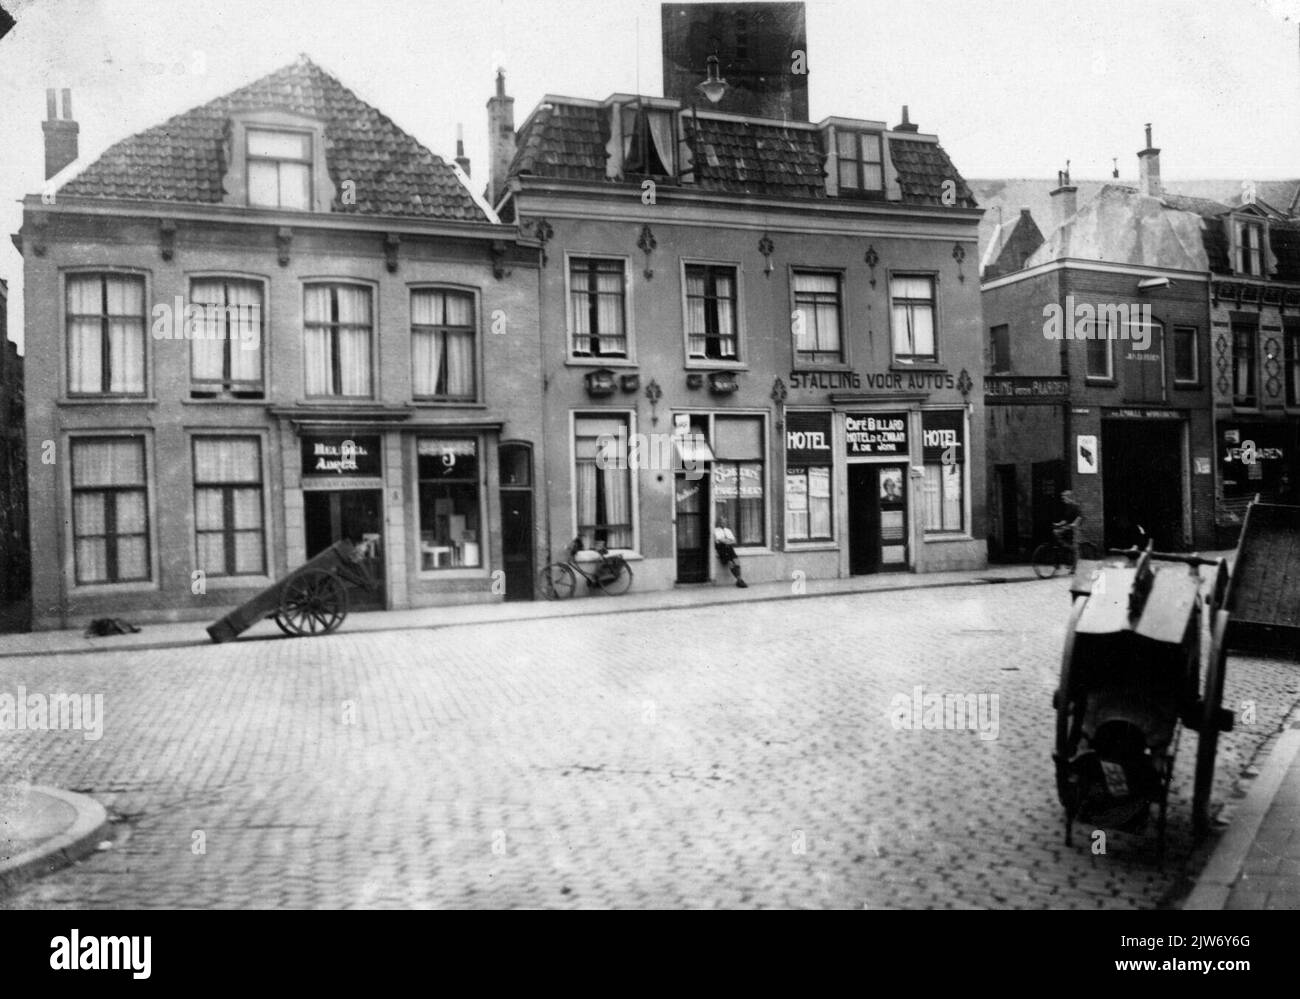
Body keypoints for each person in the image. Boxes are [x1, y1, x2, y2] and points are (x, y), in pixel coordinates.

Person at [714, 515, 748, 588]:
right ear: (719, 522)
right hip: (722, 549)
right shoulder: (716, 530)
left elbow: (734, 541)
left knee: (737, 562)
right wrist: (728, 541)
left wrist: (727, 541)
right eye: (721, 522)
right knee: (730, 563)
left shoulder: (728, 530)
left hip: (729, 548)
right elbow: (721, 540)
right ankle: (739, 580)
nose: (723, 523)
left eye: (724, 521)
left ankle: (739, 580)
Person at [1053, 489, 1083, 556]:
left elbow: (1079, 516)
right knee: (1056, 532)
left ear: (1068, 497)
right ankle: (1067, 547)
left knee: (1074, 544)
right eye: (1062, 497)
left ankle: (1074, 559)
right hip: (1069, 526)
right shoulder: (1068, 507)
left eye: (1064, 497)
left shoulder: (1075, 506)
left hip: (1075, 527)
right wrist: (1058, 524)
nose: (1063, 499)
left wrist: (1074, 523)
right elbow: (1066, 519)